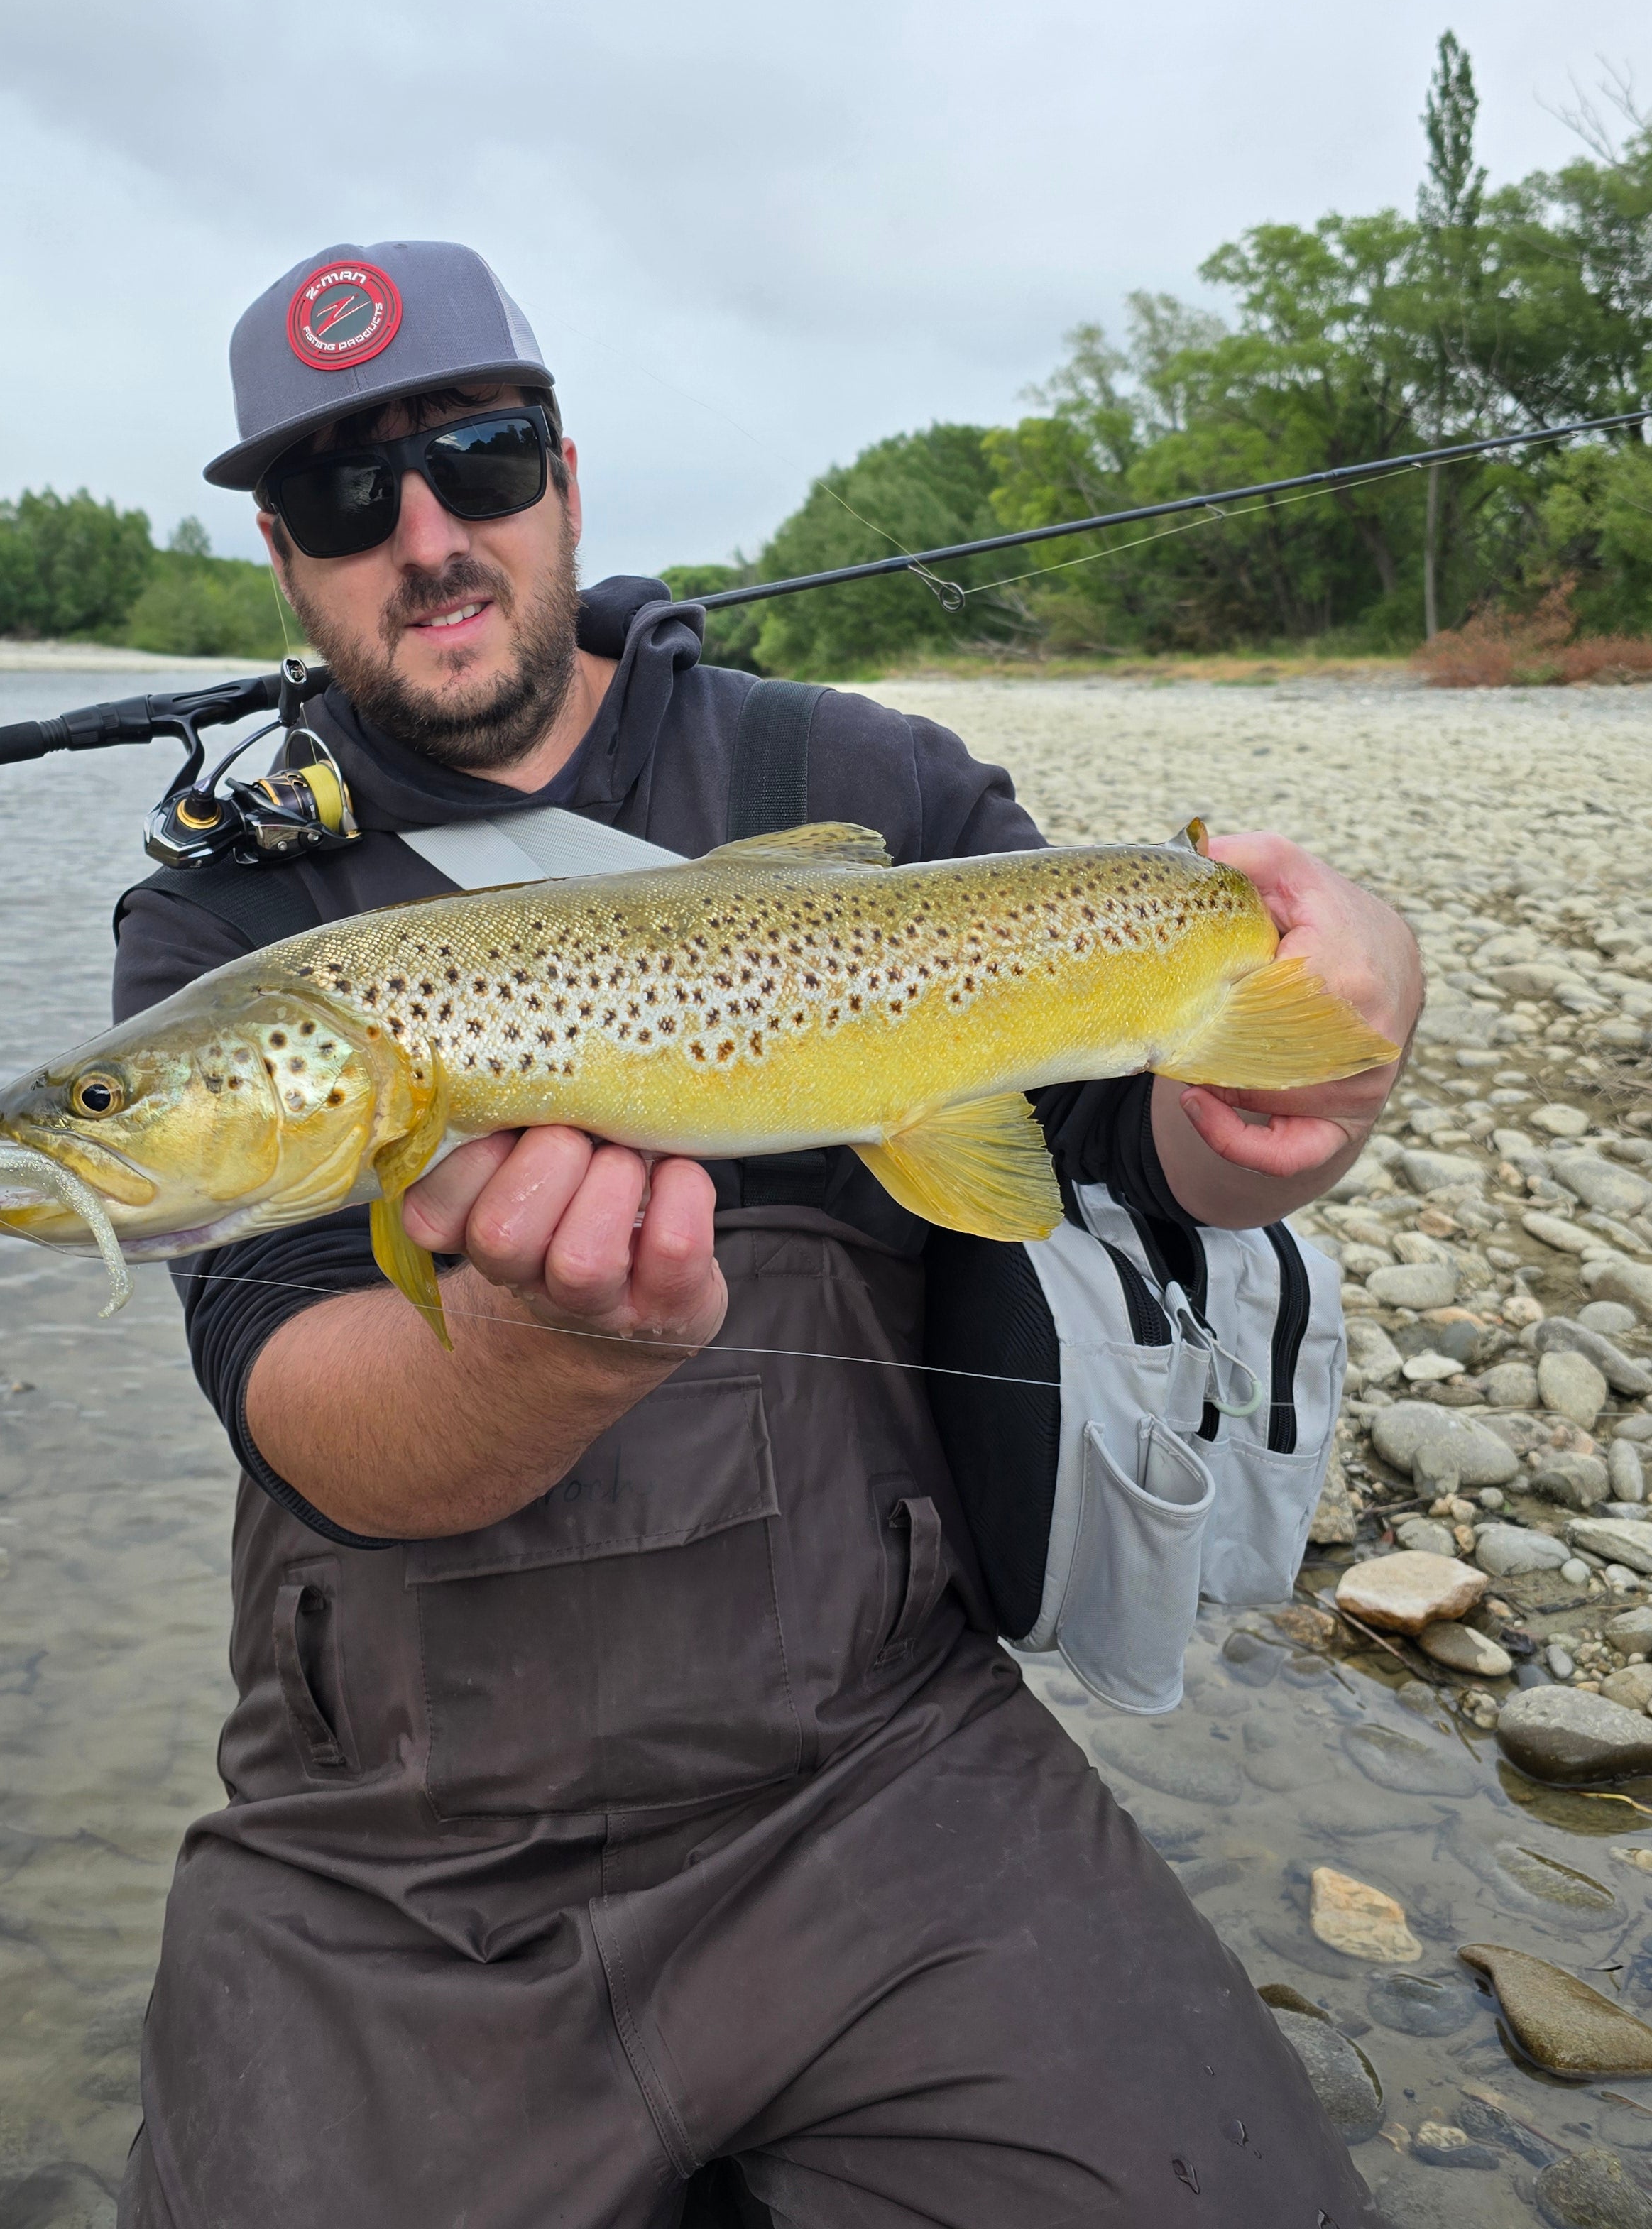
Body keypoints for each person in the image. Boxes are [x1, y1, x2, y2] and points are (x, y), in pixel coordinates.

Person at [113, 241, 1418, 2229]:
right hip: (399, 1855)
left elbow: (1153, 1147)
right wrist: (534, 1358)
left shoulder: (865, 778)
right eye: (343, 495)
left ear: (563, 469)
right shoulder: (231, 923)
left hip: (884, 1772)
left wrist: (1311, 1083)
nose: (428, 532)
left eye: (473, 451)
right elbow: (307, 1402)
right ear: (286, 558)